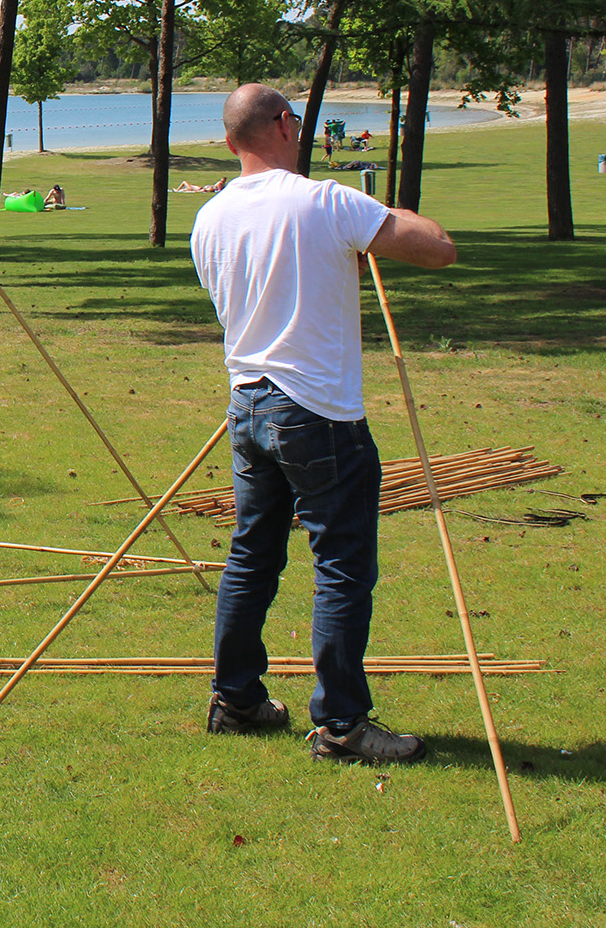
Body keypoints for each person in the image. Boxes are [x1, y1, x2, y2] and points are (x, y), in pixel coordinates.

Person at [190, 83, 456, 764]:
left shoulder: (210, 218)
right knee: (340, 562)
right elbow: (437, 246)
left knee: (252, 555)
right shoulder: (327, 200)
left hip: (247, 403)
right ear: (284, 124)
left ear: (229, 144)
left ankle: (237, 699)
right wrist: (382, 214)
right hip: (317, 411)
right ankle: (340, 724)